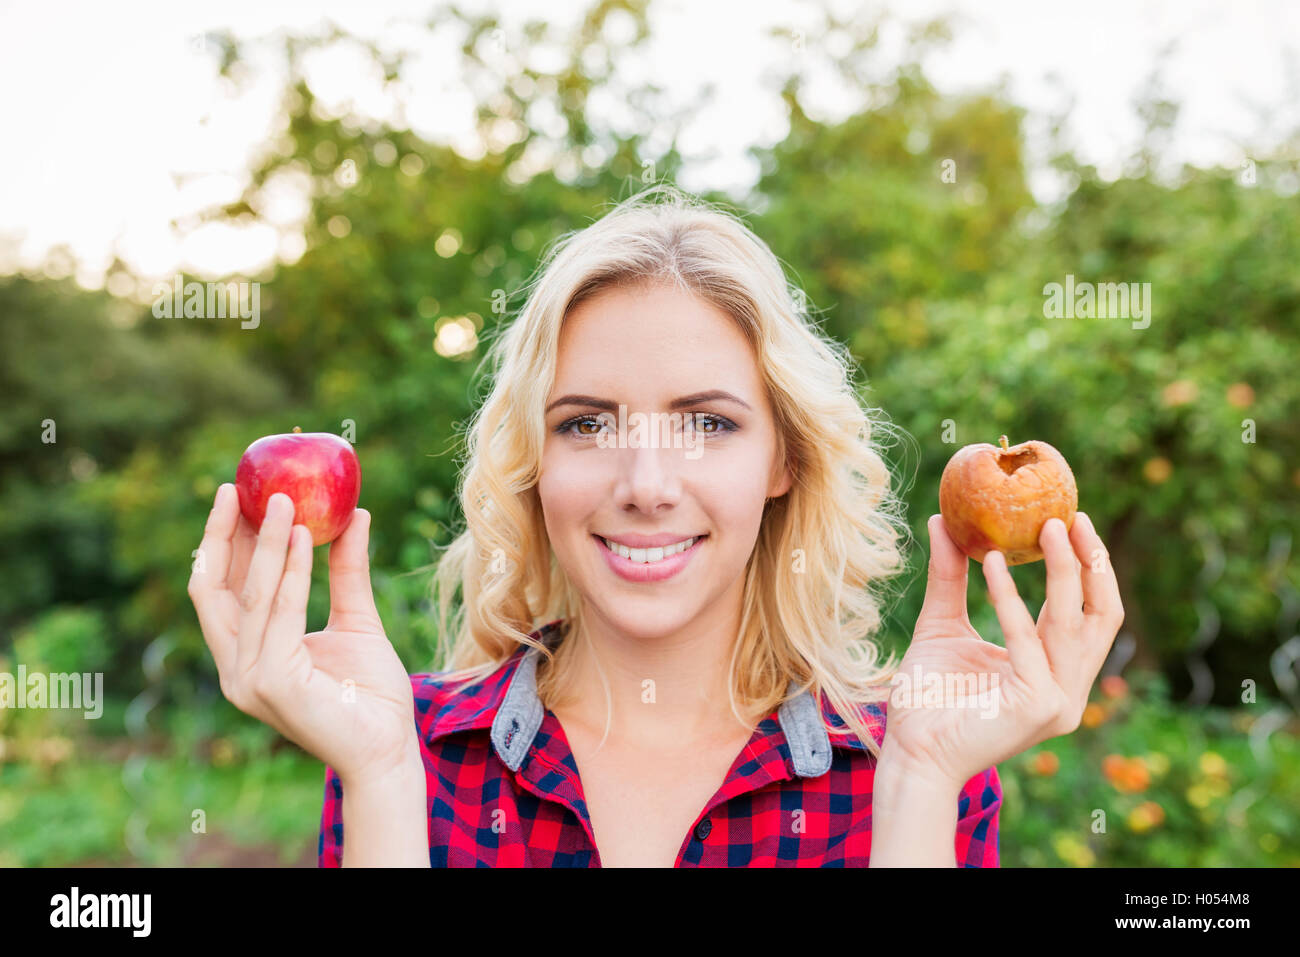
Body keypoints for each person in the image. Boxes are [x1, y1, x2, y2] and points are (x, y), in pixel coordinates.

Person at [186, 184, 1124, 867]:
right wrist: (384, 774)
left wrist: (920, 781)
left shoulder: (910, 760)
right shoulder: (407, 748)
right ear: (536, 463)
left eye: (707, 424)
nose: (644, 482)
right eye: (587, 423)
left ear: (783, 460)